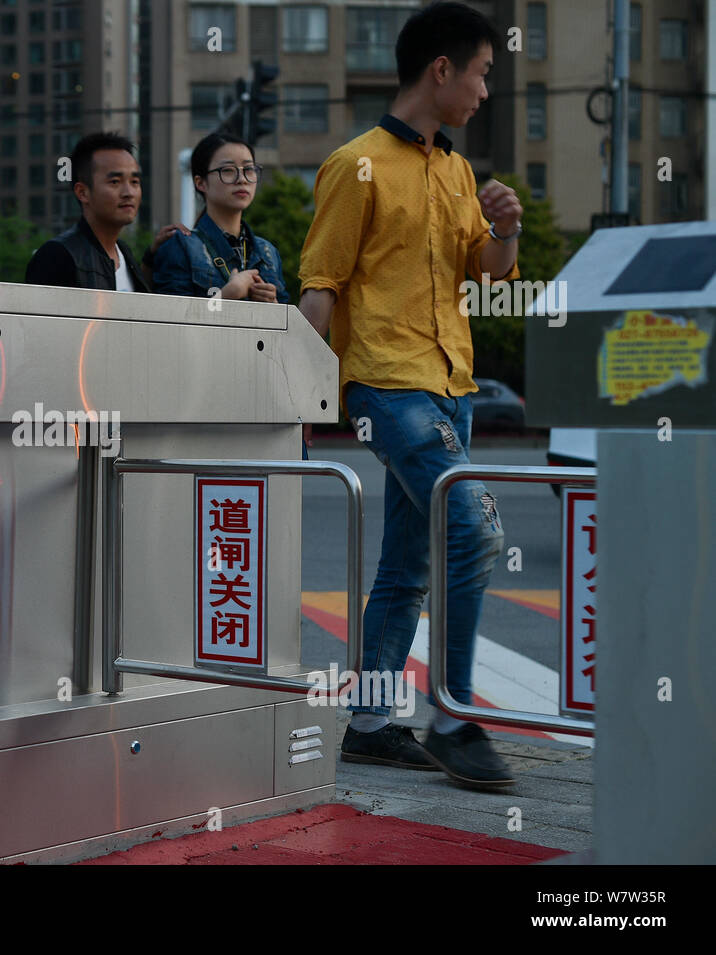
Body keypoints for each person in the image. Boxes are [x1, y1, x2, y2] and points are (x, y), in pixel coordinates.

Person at [297, 1, 521, 789]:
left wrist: (507, 228)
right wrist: (298, 399)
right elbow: (319, 289)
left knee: (406, 564)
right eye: (482, 74)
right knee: (475, 530)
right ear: (442, 71)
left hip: (450, 387)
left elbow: (488, 274)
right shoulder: (355, 165)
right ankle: (455, 715)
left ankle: (368, 723)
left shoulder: (458, 170)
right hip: (385, 386)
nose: (485, 91)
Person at [24, 131, 187, 292]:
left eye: (134, 181)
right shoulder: (57, 256)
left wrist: (151, 256)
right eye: (115, 182)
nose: (129, 192)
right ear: (83, 192)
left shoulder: (124, 253)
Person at [151, 131, 288, 307]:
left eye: (248, 170)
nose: (242, 179)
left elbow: (287, 328)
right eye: (228, 170)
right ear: (201, 183)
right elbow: (172, 323)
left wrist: (274, 304)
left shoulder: (268, 253)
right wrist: (226, 296)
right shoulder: (180, 247)